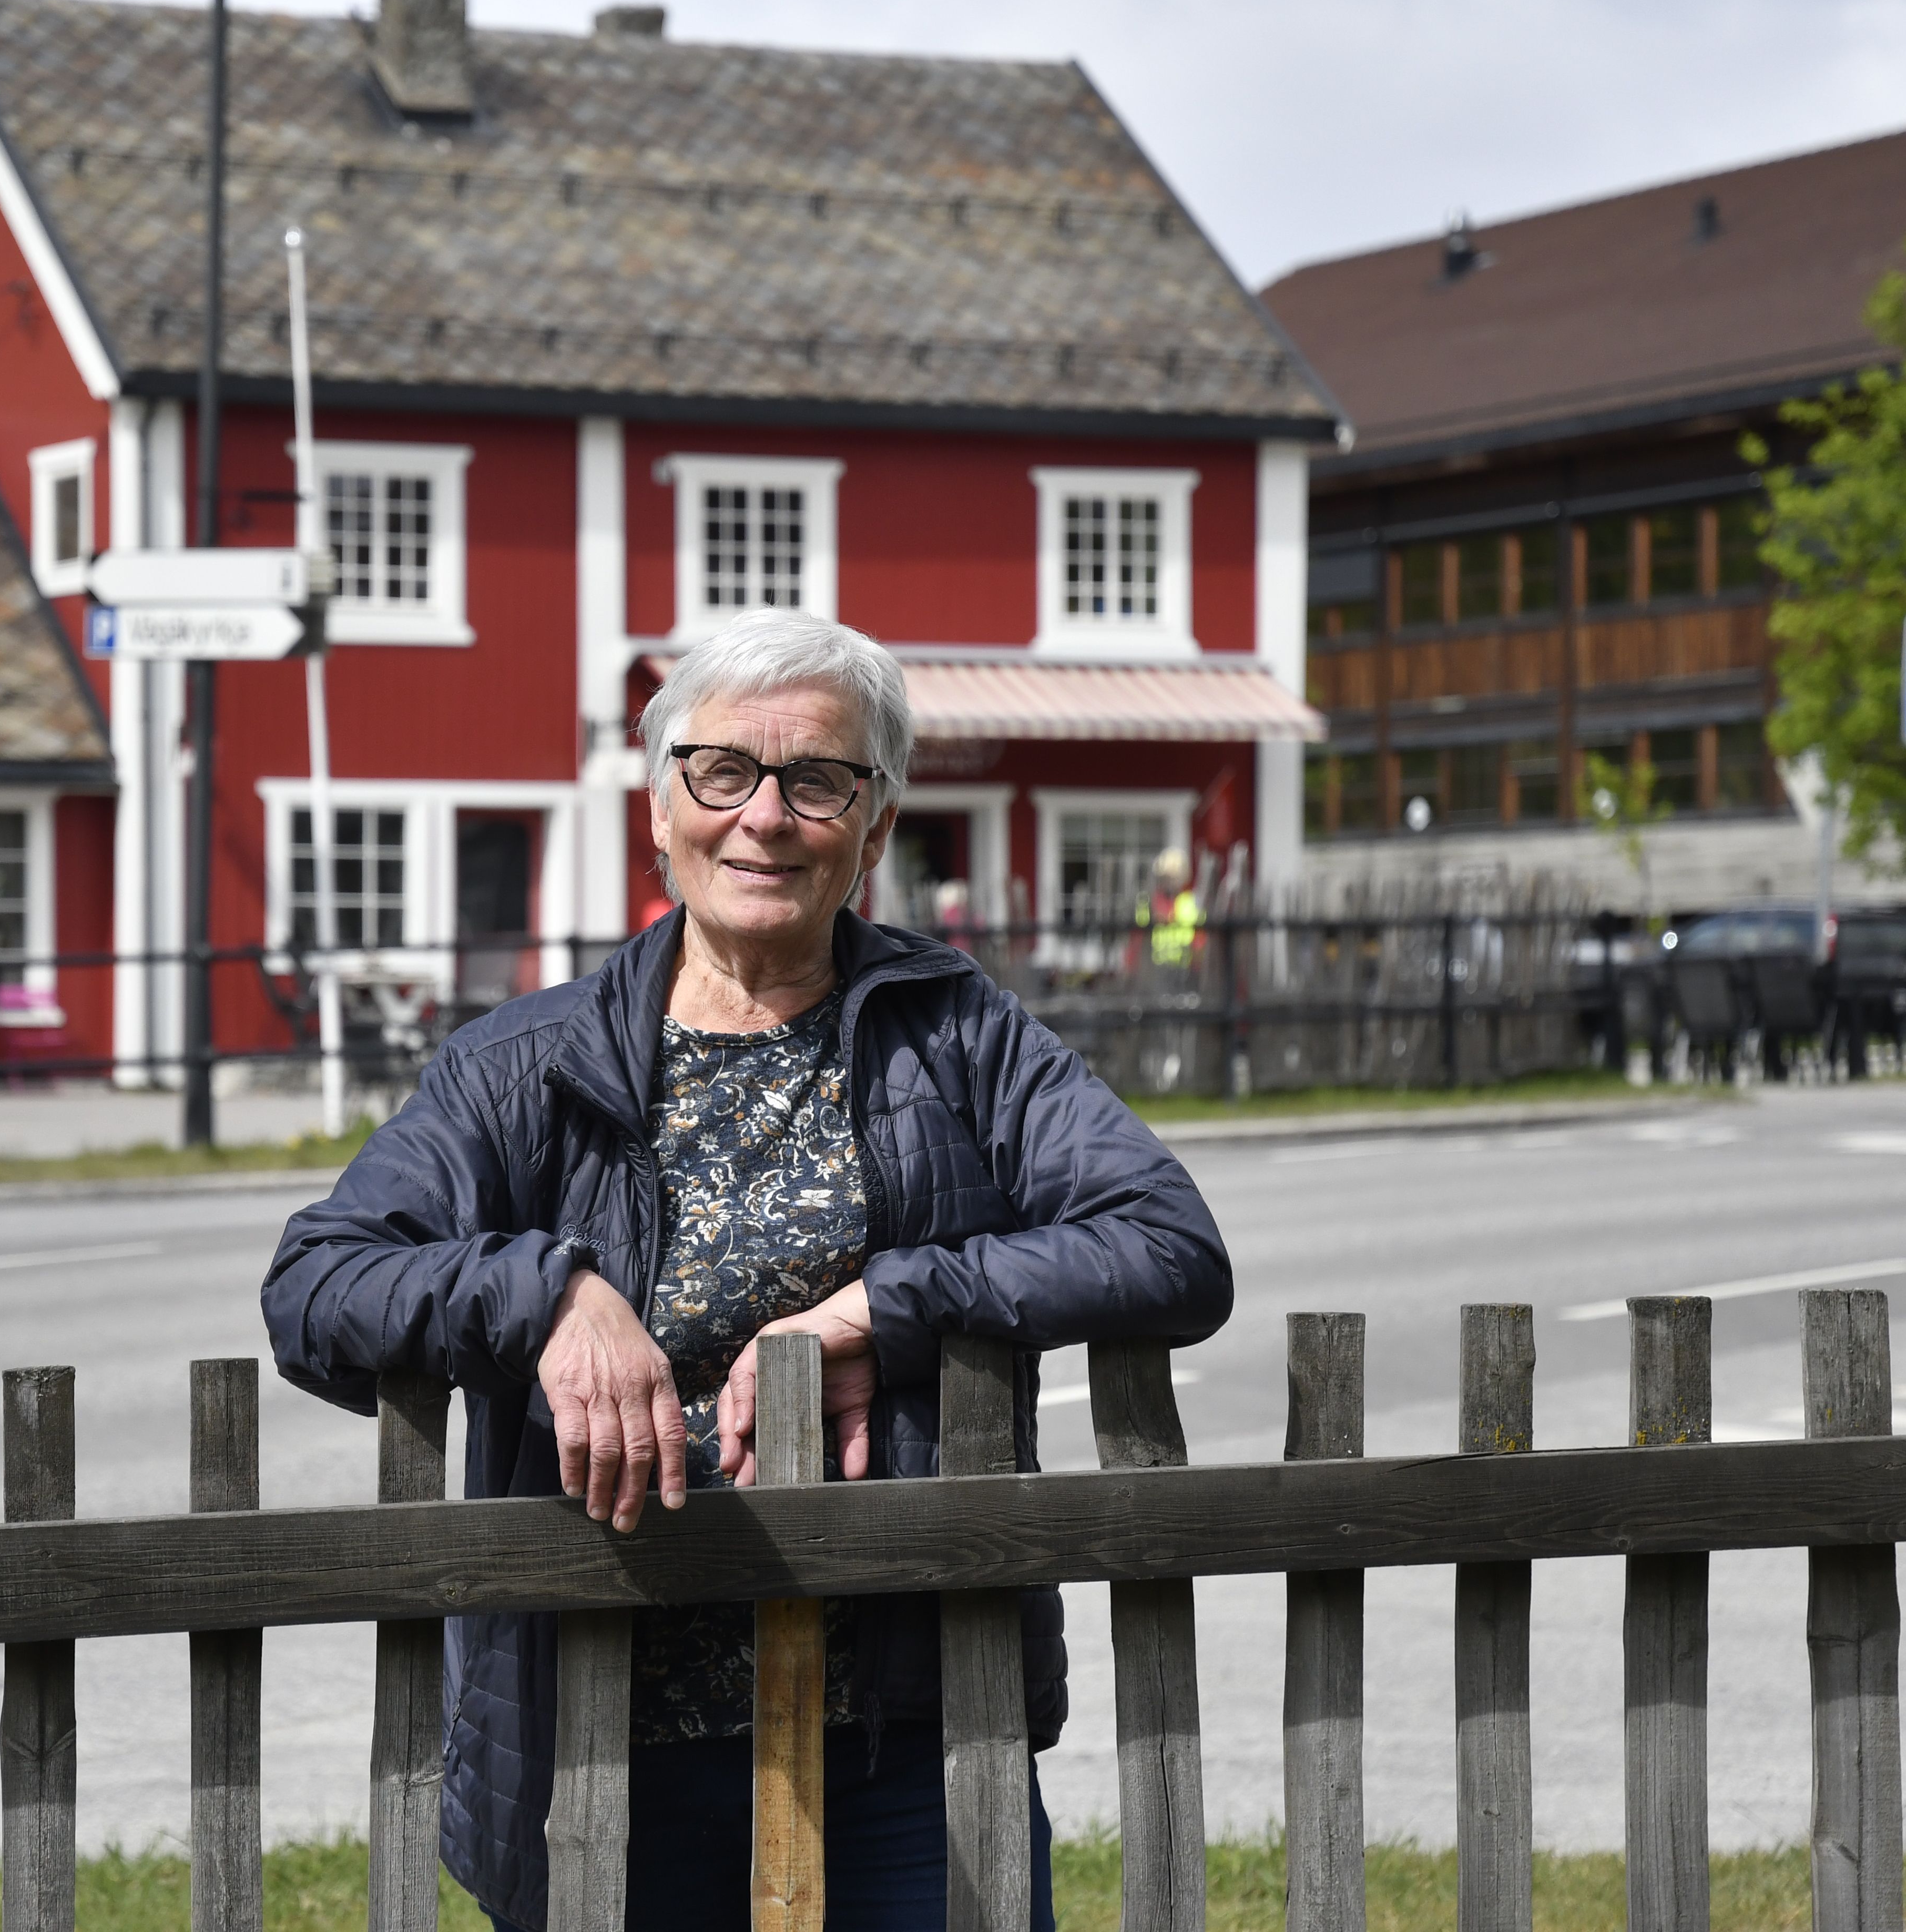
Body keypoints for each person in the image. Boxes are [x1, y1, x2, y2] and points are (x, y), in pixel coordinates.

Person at [263, 608, 1233, 1932]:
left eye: (818, 779)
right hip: (602, 1727)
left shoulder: (958, 1035)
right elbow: (317, 1283)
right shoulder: (523, 1064)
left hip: (909, 1730)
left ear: (876, 826)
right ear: (661, 806)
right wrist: (548, 1289)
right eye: (723, 771)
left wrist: (891, 1305)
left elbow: (1170, 1244)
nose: (764, 817)